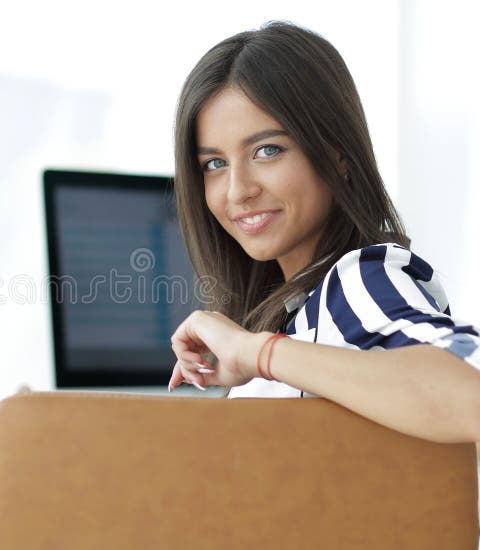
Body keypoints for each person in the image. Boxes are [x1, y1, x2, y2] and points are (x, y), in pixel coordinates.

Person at [166, 22, 480, 445]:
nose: (238, 190)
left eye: (267, 151)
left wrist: (255, 352)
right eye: (214, 164)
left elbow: (471, 389)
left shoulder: (359, 279)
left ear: (338, 155)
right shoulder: (297, 312)